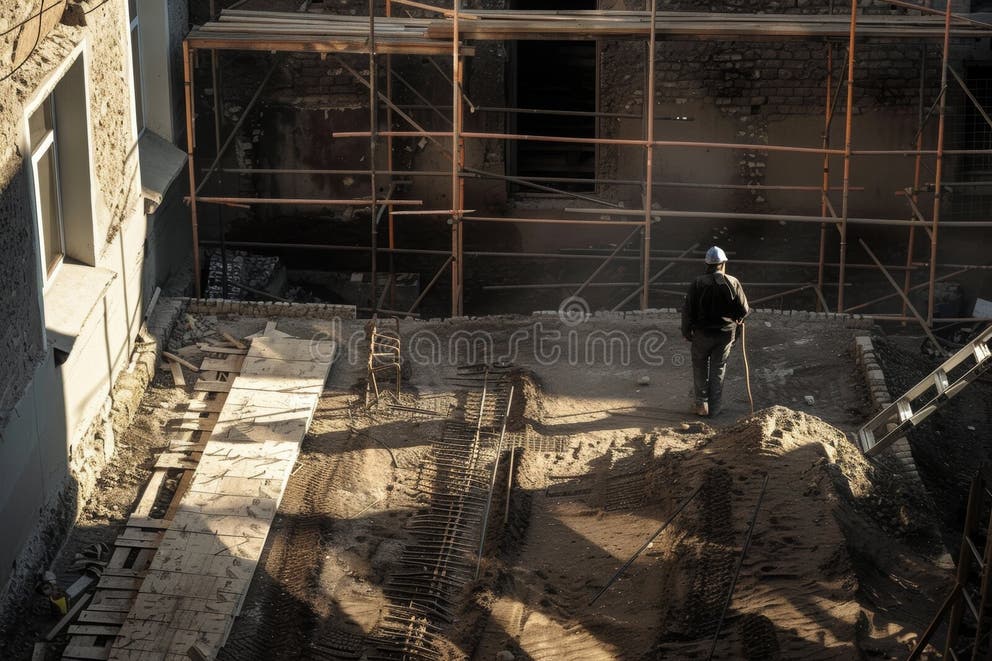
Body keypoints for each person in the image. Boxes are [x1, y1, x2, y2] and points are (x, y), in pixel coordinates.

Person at [681, 246, 750, 417]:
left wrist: (686, 330)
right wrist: (736, 319)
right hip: (725, 334)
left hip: (702, 334)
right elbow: (744, 309)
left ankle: (701, 404)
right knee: (718, 369)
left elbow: (688, 310)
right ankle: (715, 407)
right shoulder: (733, 282)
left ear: (707, 264)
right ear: (723, 263)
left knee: (700, 367)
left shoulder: (697, 283)